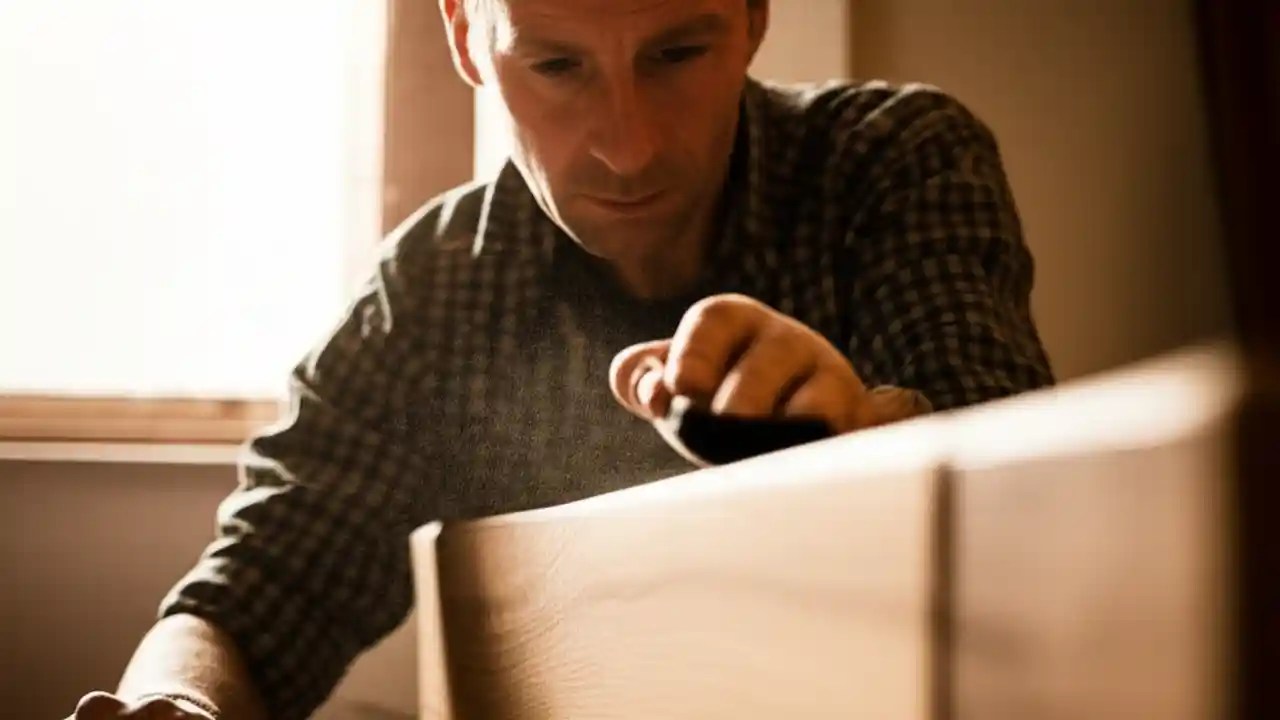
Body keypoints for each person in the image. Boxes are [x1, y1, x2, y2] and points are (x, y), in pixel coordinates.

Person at [70, 0, 1053, 717]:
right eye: (554, 67)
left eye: (675, 54)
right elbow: (250, 600)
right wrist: (177, 707)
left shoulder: (893, 161)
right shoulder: (431, 290)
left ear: (753, 18)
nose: (626, 147)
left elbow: (1022, 502)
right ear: (465, 37)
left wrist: (854, 445)